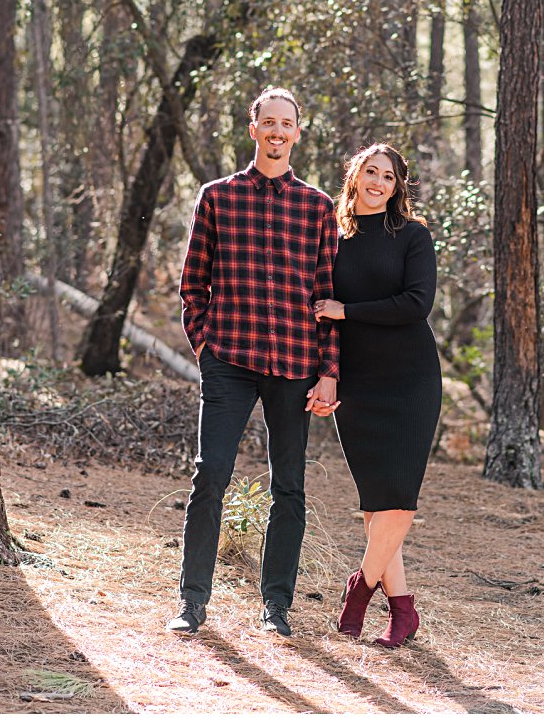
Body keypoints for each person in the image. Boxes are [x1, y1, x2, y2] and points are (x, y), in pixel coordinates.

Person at [168, 87, 340, 637]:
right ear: (253, 130)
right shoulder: (217, 197)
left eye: (285, 123)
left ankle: (276, 608)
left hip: (294, 363)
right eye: (267, 122)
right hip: (231, 360)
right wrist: (205, 346)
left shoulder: (317, 208)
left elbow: (328, 295)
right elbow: (192, 284)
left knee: (288, 485)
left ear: (296, 132)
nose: (276, 131)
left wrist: (330, 370)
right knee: (210, 475)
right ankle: (192, 603)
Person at [313, 143, 440, 648]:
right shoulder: (332, 238)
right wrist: (325, 374)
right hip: (358, 382)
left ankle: (360, 591)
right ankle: (404, 611)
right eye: (371, 172)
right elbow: (317, 307)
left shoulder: (412, 235)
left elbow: (416, 303)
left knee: (399, 501)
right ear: (355, 176)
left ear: (397, 186)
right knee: (376, 504)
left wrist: (347, 310)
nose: (379, 183)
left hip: (410, 379)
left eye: (388, 176)